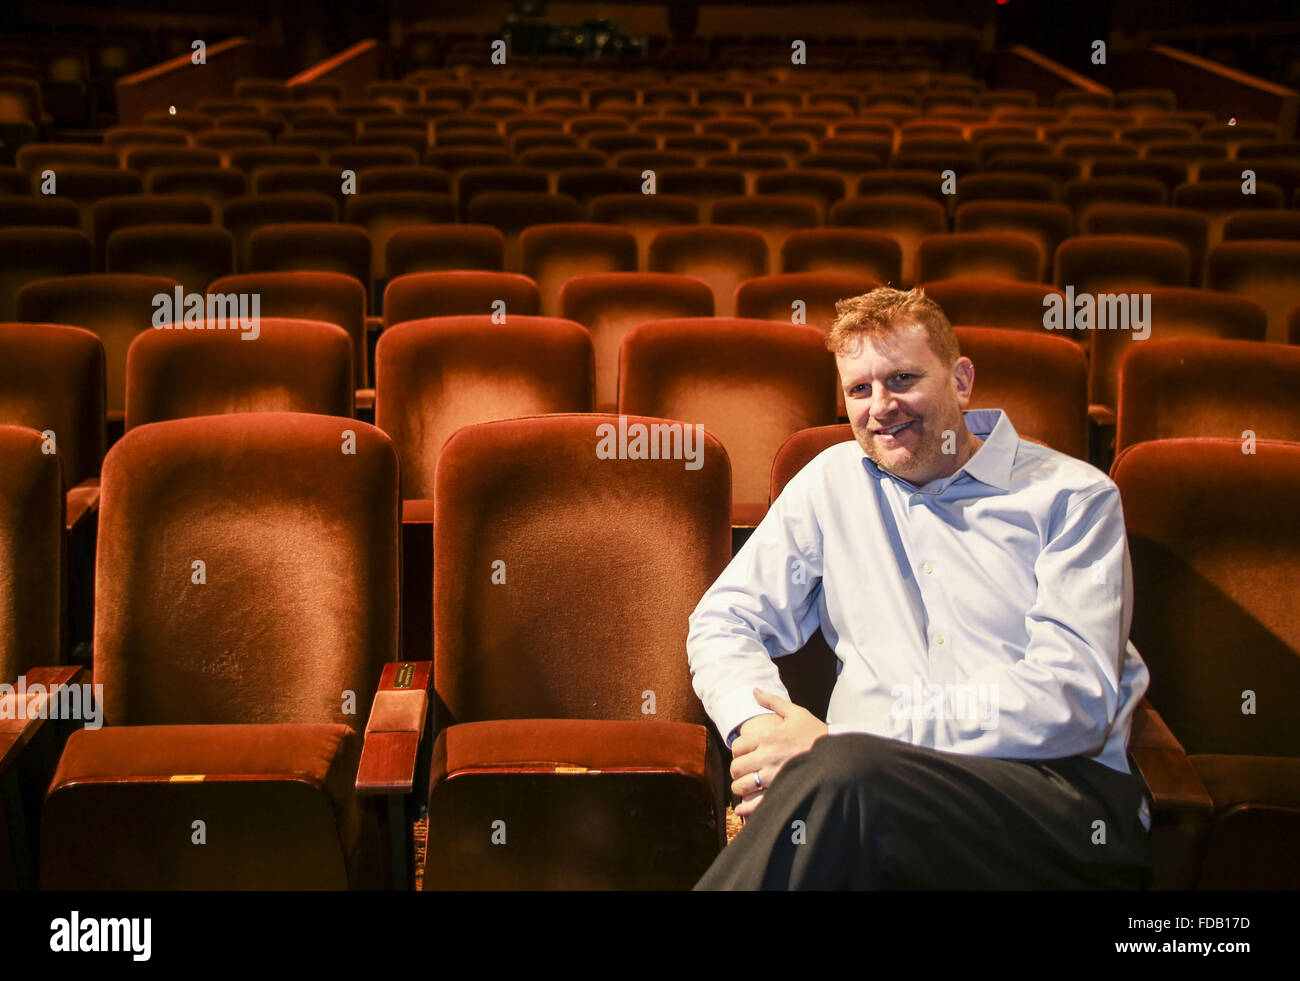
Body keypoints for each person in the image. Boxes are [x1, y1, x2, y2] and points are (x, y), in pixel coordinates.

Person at [686, 286, 1152, 889]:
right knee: (845, 790)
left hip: (1053, 795)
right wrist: (762, 731)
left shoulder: (1072, 499)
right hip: (856, 800)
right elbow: (725, 619)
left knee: (847, 778)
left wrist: (838, 742)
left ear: (960, 380)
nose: (880, 406)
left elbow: (1072, 702)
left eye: (902, 378)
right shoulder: (832, 482)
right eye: (859, 389)